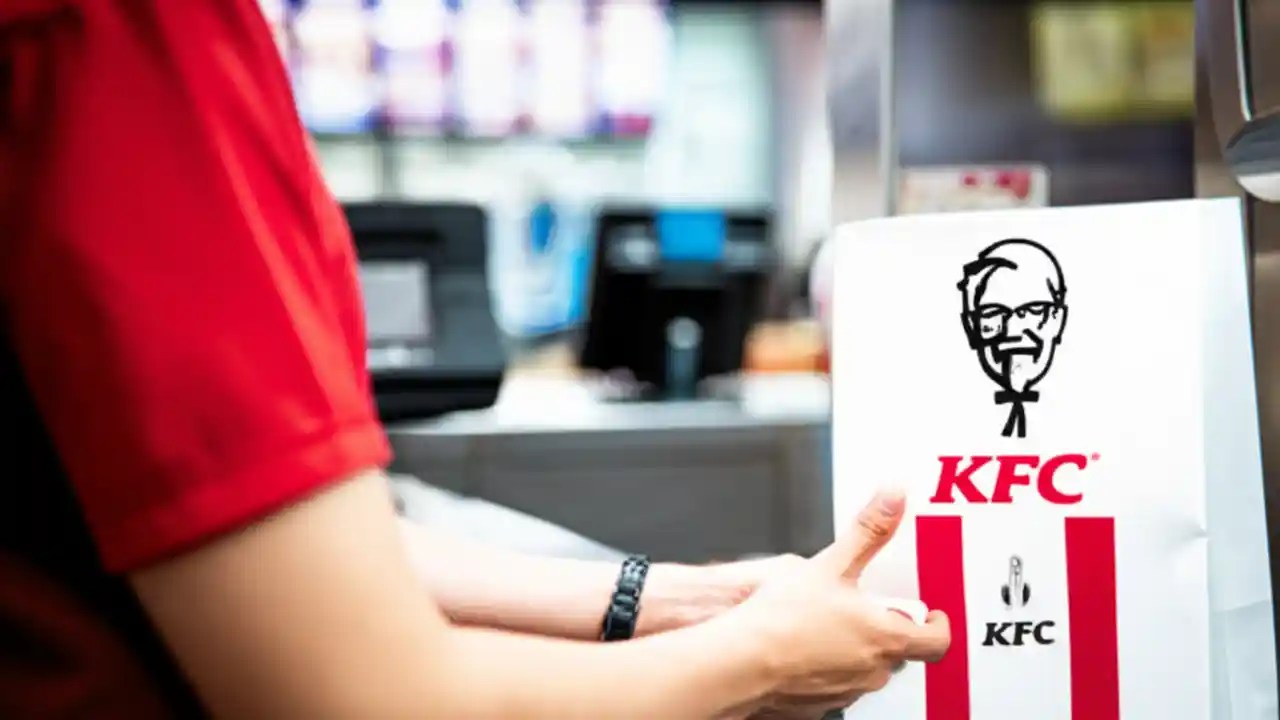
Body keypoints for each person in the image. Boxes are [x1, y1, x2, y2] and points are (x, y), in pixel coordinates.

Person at [0, 2, 949, 718]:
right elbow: (368, 696)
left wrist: (681, 599)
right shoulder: (126, 33)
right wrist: (765, 656)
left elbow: (267, 548)